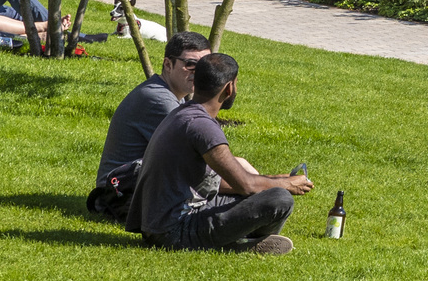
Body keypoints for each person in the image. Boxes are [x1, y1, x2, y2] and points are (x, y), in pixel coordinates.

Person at [126, 53, 313, 253]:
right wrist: (285, 184)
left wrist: (276, 178)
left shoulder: (184, 114)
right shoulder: (201, 126)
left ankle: (242, 240)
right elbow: (245, 184)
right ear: (229, 88)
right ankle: (241, 244)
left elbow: (222, 181)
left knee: (265, 192)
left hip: (158, 224)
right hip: (173, 231)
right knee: (279, 199)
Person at [90, 30, 212, 214]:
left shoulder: (171, 95)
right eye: (190, 64)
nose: (199, 73)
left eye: (204, 66)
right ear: (168, 64)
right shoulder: (158, 100)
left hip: (132, 188)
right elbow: (202, 160)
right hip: (121, 195)